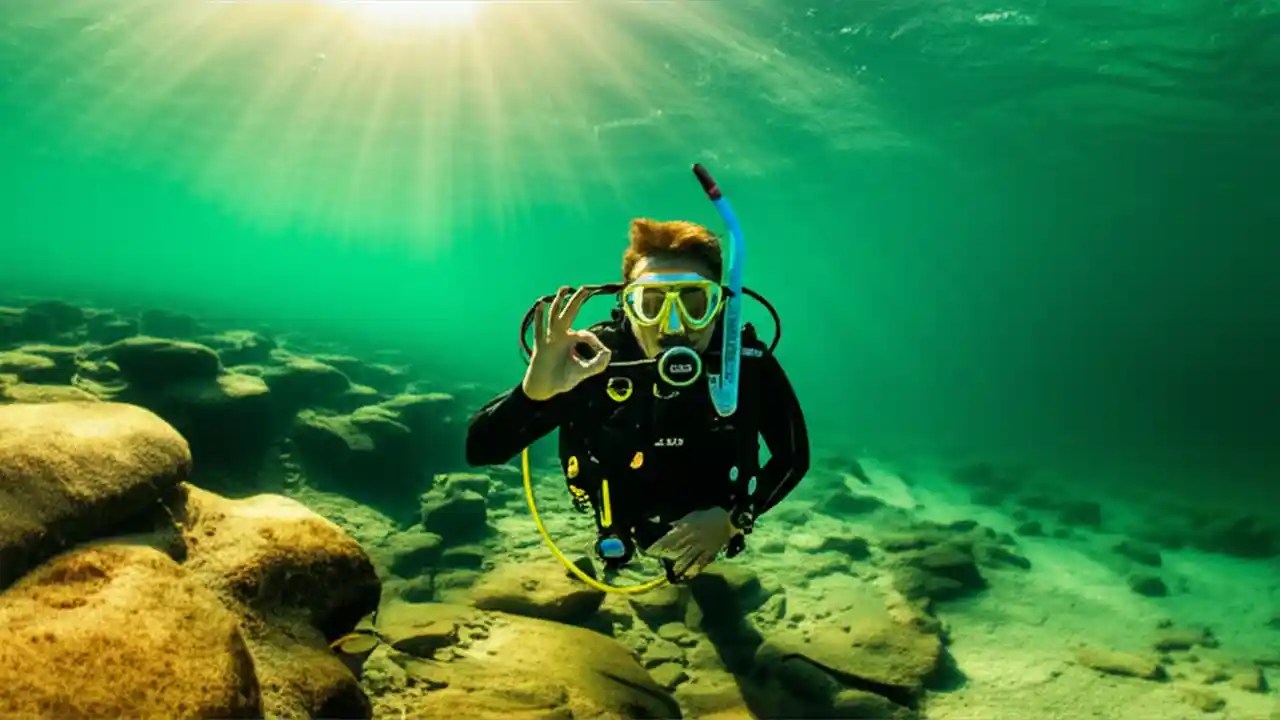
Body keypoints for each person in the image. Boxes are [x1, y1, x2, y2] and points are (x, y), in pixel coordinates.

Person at [465, 217, 810, 582]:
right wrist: (532, 395)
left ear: (721, 306)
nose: (674, 325)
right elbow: (481, 449)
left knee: (690, 576)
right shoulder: (593, 361)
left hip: (707, 510)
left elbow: (793, 457)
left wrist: (734, 517)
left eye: (695, 304)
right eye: (651, 304)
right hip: (620, 506)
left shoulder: (746, 364)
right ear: (628, 307)